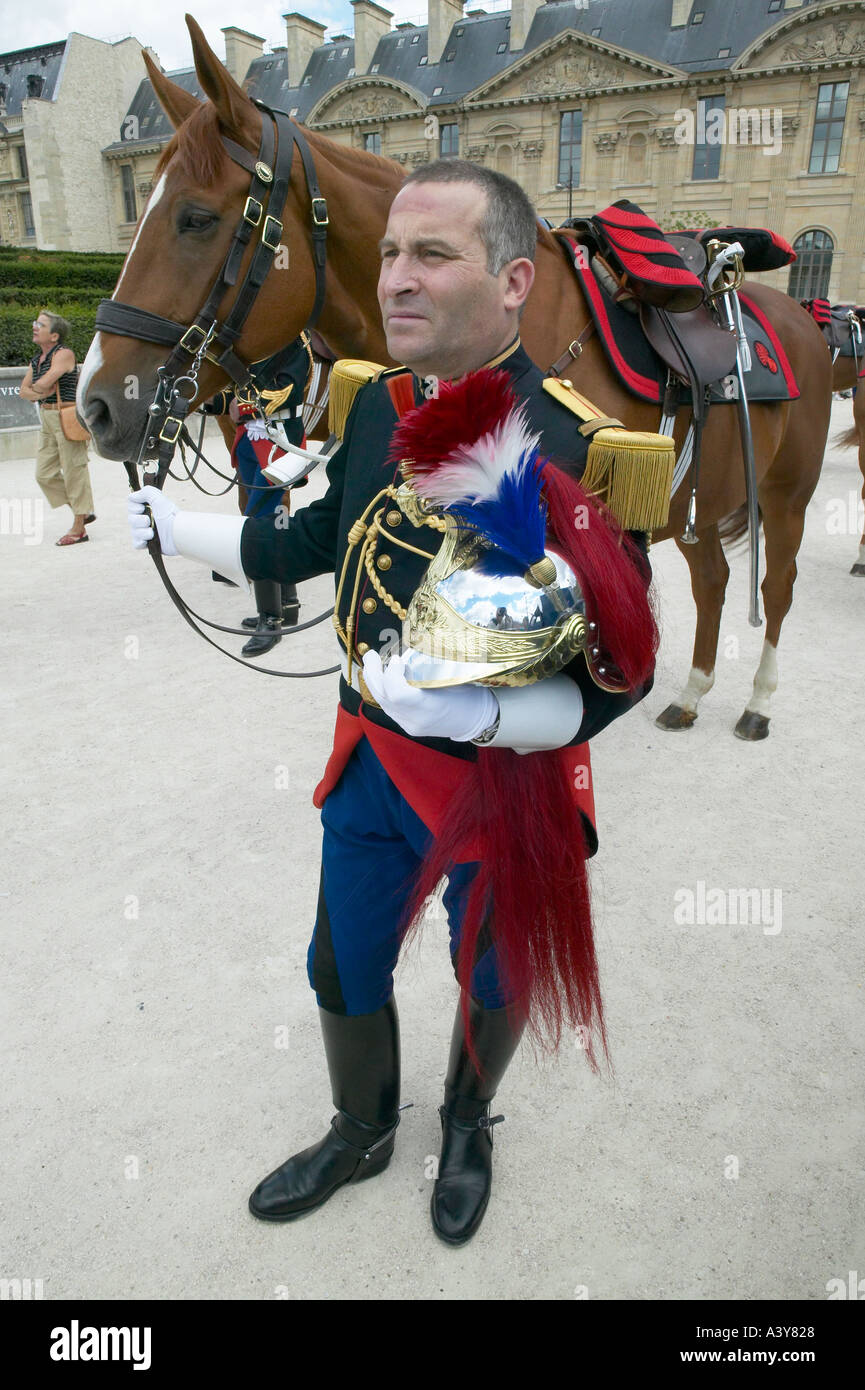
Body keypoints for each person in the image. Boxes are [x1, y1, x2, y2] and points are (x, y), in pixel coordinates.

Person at [127, 160, 658, 1245]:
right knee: (340, 958)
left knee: (496, 967)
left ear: (513, 282)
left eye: (433, 255)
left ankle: (467, 1123)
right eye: (389, 256)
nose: (398, 280)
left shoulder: (579, 442)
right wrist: (179, 530)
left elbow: (623, 663)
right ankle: (361, 1128)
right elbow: (311, 541)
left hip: (501, 784)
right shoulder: (376, 404)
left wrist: (500, 718)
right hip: (367, 756)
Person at [20, 312, 95, 546]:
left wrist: (38, 389)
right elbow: (25, 391)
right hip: (47, 418)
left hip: (67, 415)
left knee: (74, 471)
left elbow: (40, 384)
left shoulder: (64, 354)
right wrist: (39, 390)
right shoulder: (37, 359)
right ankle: (82, 511)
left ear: (54, 335)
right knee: (43, 474)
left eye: (39, 325)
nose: (34, 327)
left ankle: (79, 527)